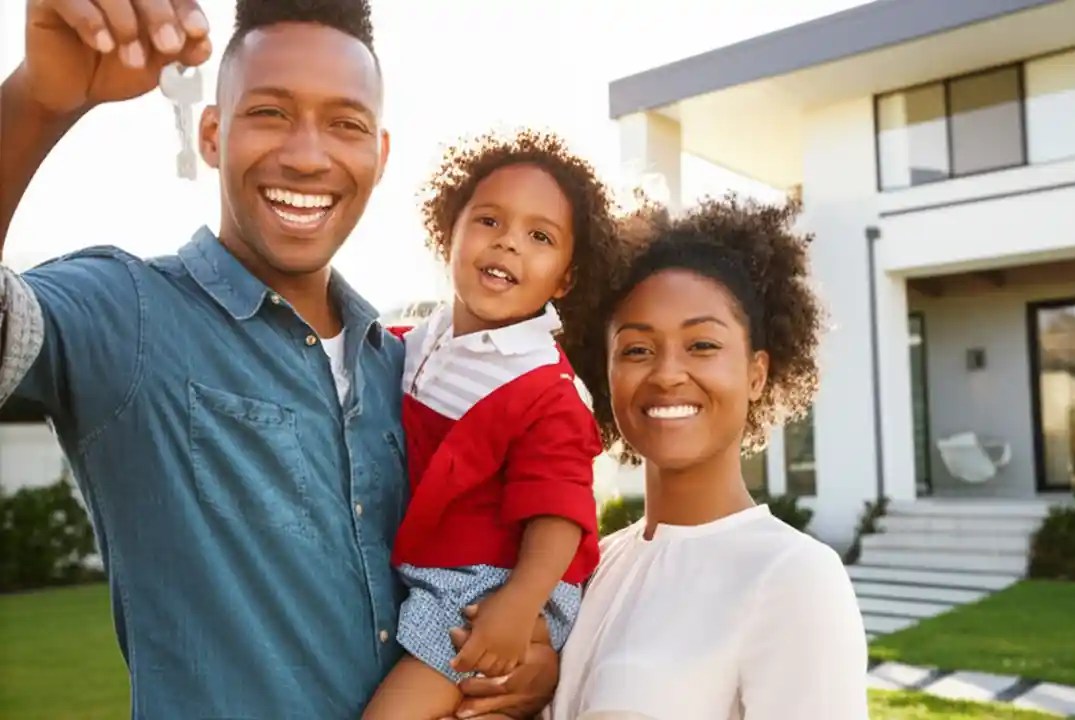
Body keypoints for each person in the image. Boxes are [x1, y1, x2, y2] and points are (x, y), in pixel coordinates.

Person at [0, 1, 555, 716]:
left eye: (345, 124)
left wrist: (534, 665)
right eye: (268, 112)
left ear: (379, 155)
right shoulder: (128, 315)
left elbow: (472, 577)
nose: (306, 154)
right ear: (211, 134)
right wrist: (34, 104)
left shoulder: (408, 368)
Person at [547, 194, 871, 718]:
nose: (667, 373)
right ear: (603, 374)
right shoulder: (593, 564)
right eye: (636, 349)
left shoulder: (792, 576)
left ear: (757, 373)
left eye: (701, 345)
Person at [363, 131, 623, 719]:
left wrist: (516, 604)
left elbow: (558, 514)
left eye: (540, 236)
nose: (509, 243)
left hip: (493, 585)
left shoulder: (543, 387)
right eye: (488, 221)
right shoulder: (420, 340)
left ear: (564, 278)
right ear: (447, 233)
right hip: (438, 567)